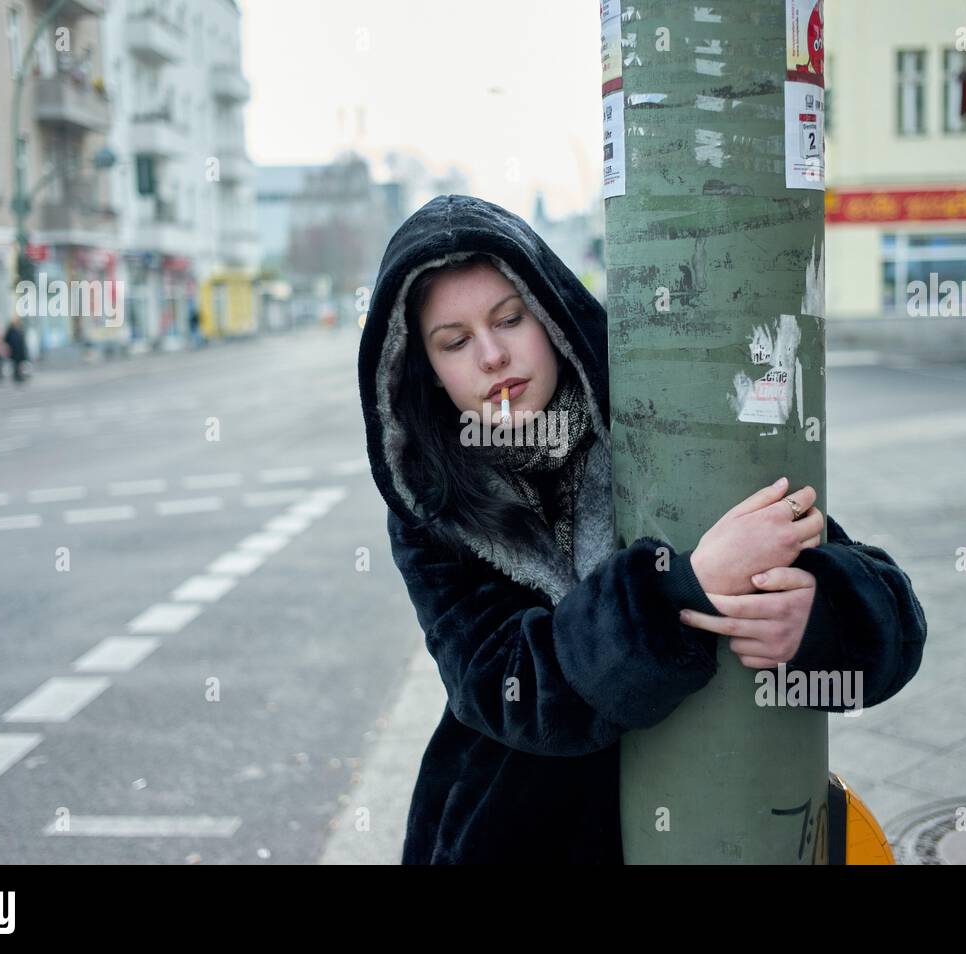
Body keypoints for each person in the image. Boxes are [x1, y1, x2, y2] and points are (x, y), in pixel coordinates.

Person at [356, 194, 927, 865]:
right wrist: (676, 595)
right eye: (454, 341)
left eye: (510, 319)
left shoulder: (666, 421)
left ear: (551, 318)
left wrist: (820, 615)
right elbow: (503, 685)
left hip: (728, 819)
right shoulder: (431, 505)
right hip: (517, 834)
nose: (491, 355)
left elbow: (894, 624)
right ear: (427, 368)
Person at [3, 316, 29, 385]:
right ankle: (16, 377)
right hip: (14, 350)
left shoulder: (20, 329)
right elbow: (6, 339)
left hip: (20, 350)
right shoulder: (10, 330)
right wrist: (8, 347)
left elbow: (23, 341)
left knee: (20, 364)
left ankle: (20, 376)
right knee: (15, 364)